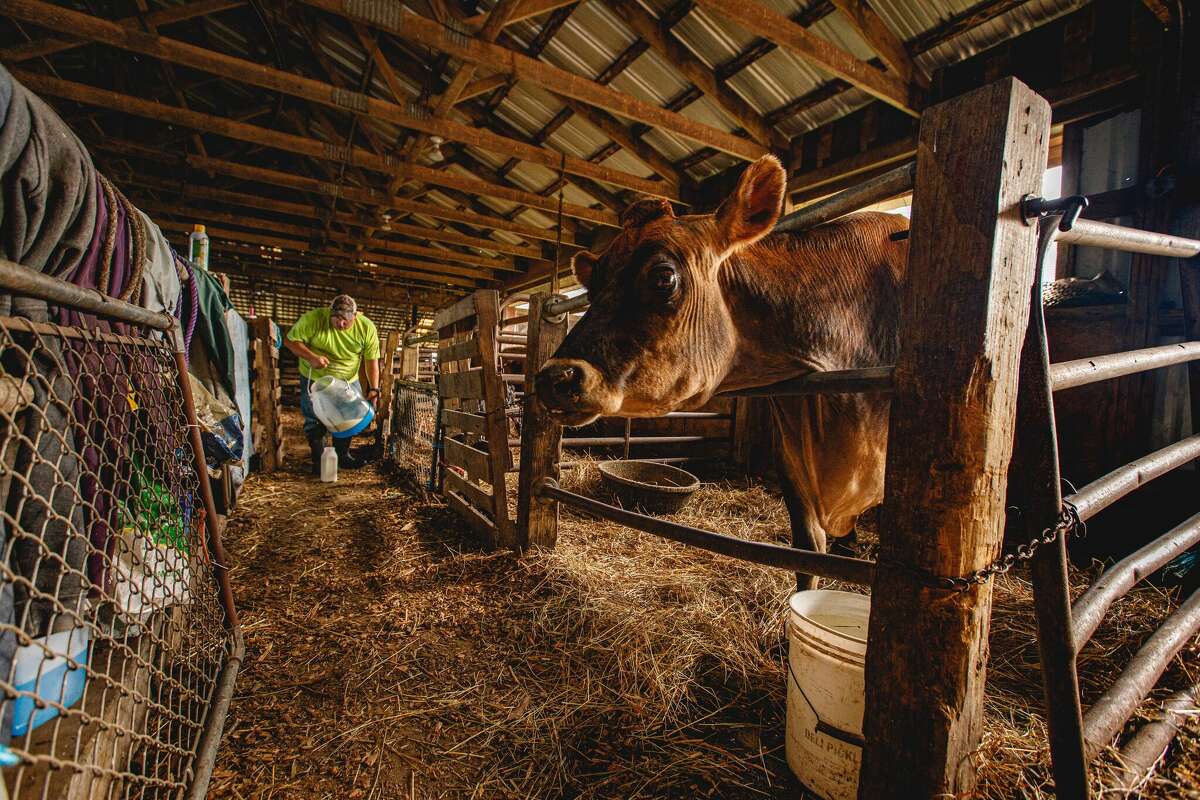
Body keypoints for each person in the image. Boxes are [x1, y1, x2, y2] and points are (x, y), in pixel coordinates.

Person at [285, 295, 381, 474]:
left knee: (349, 417)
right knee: (315, 417)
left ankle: (342, 456)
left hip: (347, 378)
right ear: (330, 314)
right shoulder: (314, 319)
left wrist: (374, 388)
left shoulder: (366, 327)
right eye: (337, 319)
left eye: (346, 320)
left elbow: (371, 361)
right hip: (315, 376)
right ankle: (320, 462)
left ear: (355, 316)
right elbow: (291, 340)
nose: (341, 324)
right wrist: (311, 357)